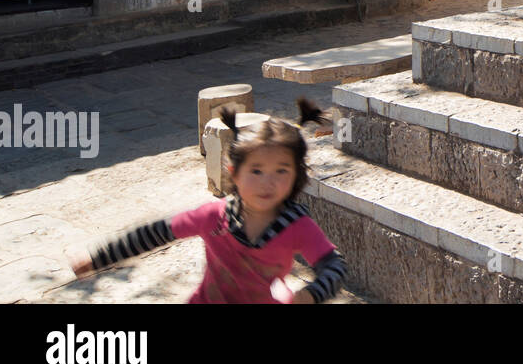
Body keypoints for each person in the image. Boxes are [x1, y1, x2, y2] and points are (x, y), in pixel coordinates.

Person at [68, 103, 347, 304]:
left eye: (282, 170)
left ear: (297, 175)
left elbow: (334, 266)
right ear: (233, 172)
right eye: (256, 170)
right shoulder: (215, 216)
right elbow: (155, 233)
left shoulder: (297, 226)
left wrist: (312, 294)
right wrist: (99, 258)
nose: (268, 182)